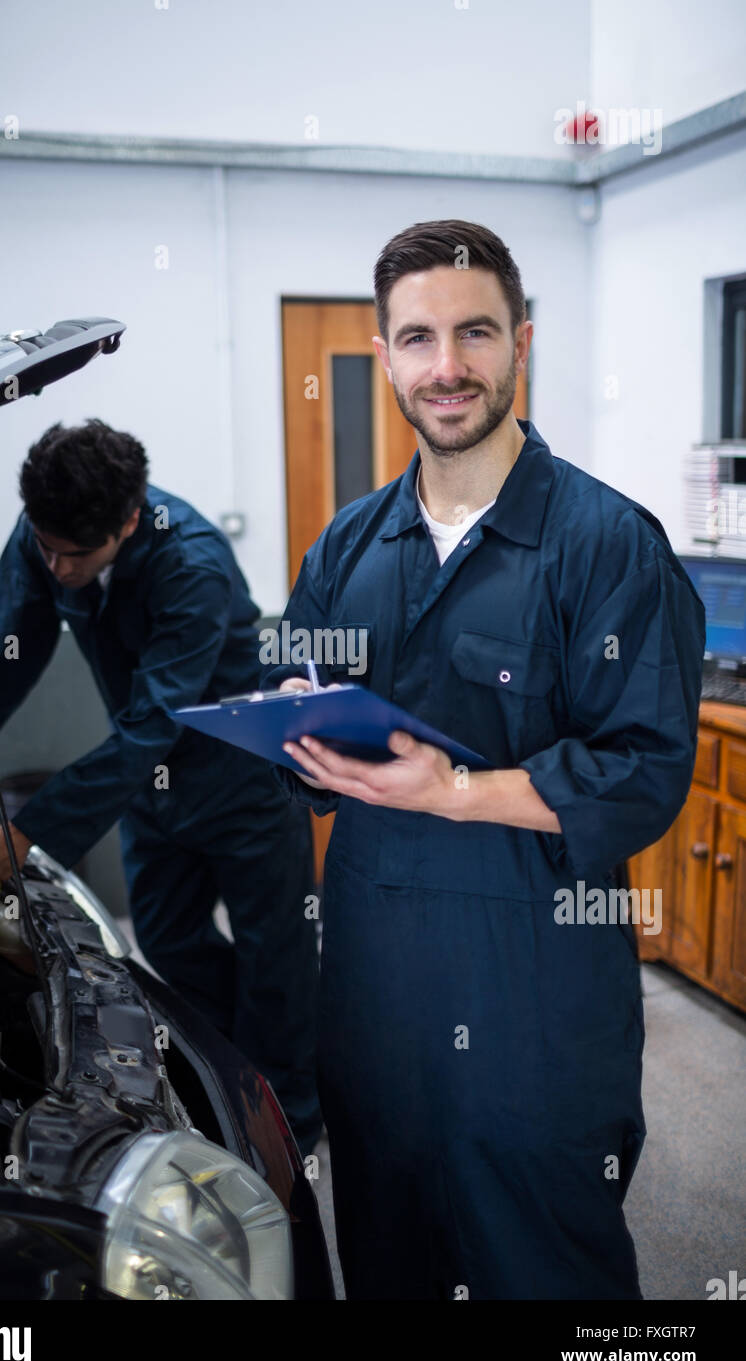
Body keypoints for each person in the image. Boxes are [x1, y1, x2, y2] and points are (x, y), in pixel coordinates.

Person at [264, 219, 705, 1299]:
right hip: (373, 1001)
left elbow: (641, 772)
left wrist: (453, 790)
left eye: (474, 333)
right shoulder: (346, 545)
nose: (446, 366)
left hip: (530, 1003)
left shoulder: (606, 546)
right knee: (390, 1252)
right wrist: (292, 724)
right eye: (417, 338)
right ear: (385, 356)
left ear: (521, 341)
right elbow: (295, 730)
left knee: (542, 1262)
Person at [0, 420, 321, 1156]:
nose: (54, 567)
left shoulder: (193, 565)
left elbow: (155, 720)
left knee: (275, 966)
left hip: (240, 782)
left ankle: (293, 1134)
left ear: (129, 520)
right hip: (146, 785)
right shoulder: (47, 538)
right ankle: (234, 1086)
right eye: (44, 547)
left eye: (74, 556)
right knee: (170, 945)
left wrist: (27, 831)